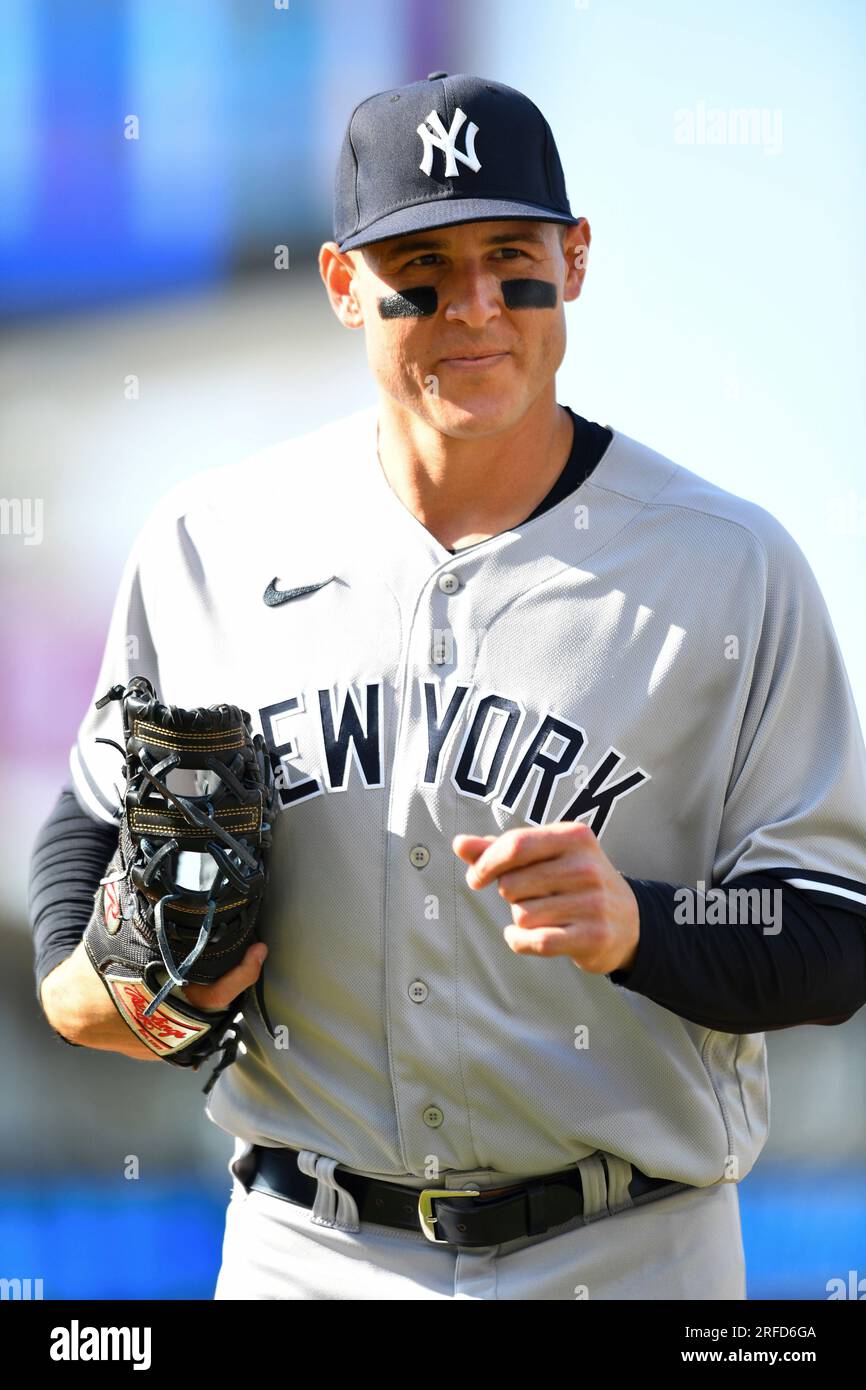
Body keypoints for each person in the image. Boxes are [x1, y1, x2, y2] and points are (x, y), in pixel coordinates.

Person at [30, 73, 866, 1301]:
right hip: (299, 1247)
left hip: (631, 1249)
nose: (473, 305)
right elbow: (91, 815)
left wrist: (647, 926)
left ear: (574, 259)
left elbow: (831, 930)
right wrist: (98, 986)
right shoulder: (211, 539)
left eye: (508, 254)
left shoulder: (726, 565)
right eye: (419, 264)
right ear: (339, 284)